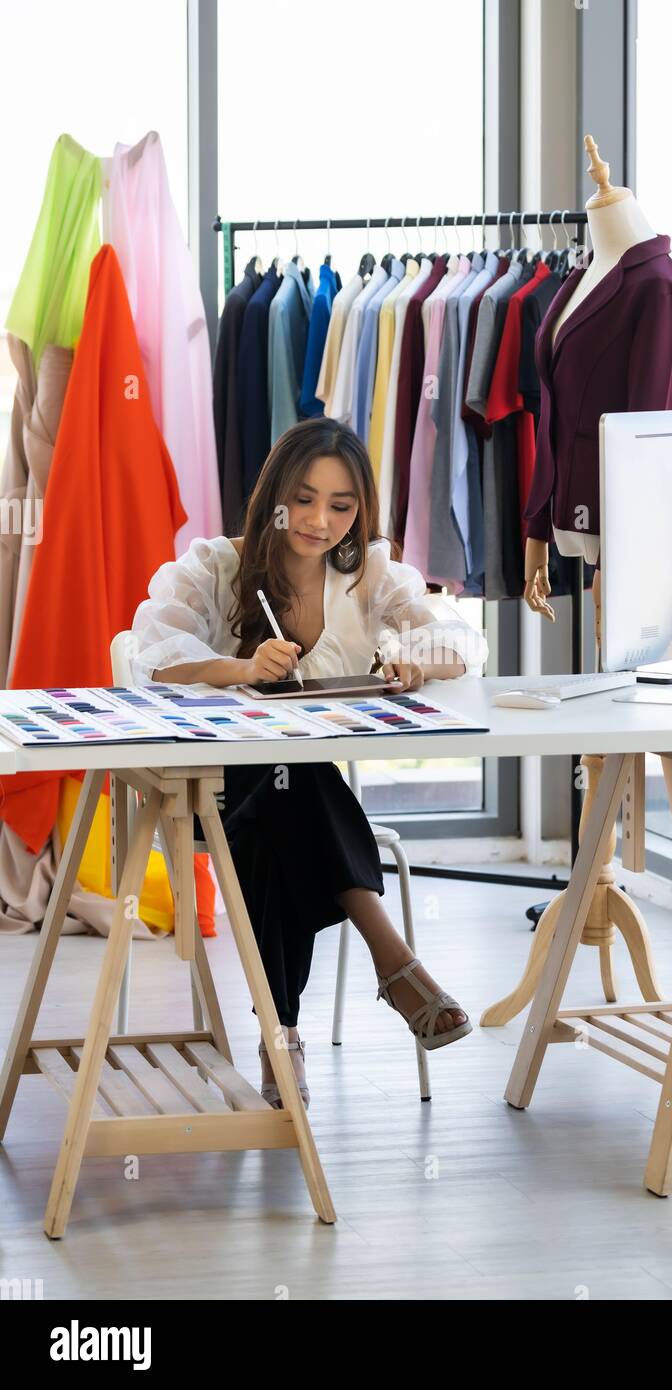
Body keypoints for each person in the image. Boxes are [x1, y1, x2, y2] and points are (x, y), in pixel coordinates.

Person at [131, 418, 488, 1109]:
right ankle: (395, 963)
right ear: (273, 497)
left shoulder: (369, 575)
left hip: (288, 817)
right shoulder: (215, 567)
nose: (319, 520)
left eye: (340, 505)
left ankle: (280, 1037)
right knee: (292, 780)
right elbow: (151, 660)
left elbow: (459, 640)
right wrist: (239, 667)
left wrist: (417, 660)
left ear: (360, 513)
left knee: (285, 809)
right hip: (207, 800)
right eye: (303, 498)